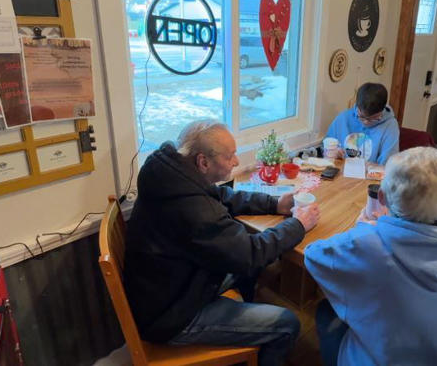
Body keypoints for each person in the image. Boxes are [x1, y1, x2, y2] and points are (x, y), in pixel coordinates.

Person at [123, 120, 320, 366]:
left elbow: (222, 196)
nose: (236, 161)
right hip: (172, 315)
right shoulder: (193, 209)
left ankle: (244, 332)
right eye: (230, 156)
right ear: (203, 162)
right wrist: (298, 225)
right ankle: (249, 335)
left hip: (172, 285)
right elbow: (250, 254)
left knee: (247, 268)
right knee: (287, 324)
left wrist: (274, 204)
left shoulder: (172, 175)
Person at [304, 147, 437, 366]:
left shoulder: (368, 243)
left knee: (326, 311)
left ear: (382, 197)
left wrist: (363, 229)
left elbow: (313, 255)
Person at [325, 82, 400, 164]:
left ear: (382, 111)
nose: (366, 122)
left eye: (373, 119)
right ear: (357, 106)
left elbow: (388, 164)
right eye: (361, 117)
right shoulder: (343, 118)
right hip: (341, 170)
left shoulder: (390, 126)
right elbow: (326, 147)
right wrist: (333, 152)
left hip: (372, 171)